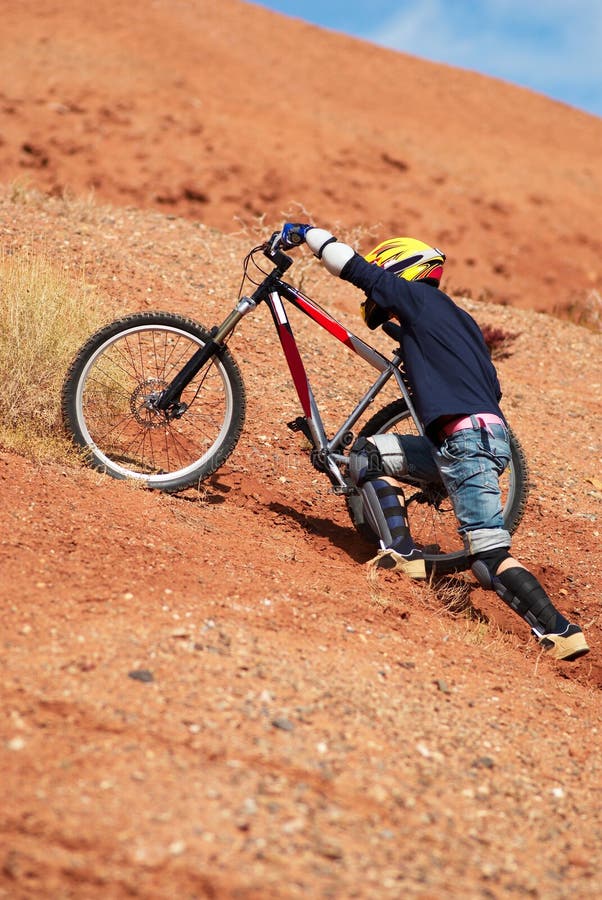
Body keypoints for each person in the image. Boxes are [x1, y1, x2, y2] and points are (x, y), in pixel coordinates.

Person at [278, 222, 589, 662]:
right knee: (366, 453)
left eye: (386, 280)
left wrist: (309, 234)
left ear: (401, 271)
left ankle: (559, 631)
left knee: (488, 558)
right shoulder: (454, 321)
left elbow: (354, 269)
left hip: (466, 443)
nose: (376, 297)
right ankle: (403, 552)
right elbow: (489, 389)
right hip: (477, 439)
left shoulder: (419, 299)